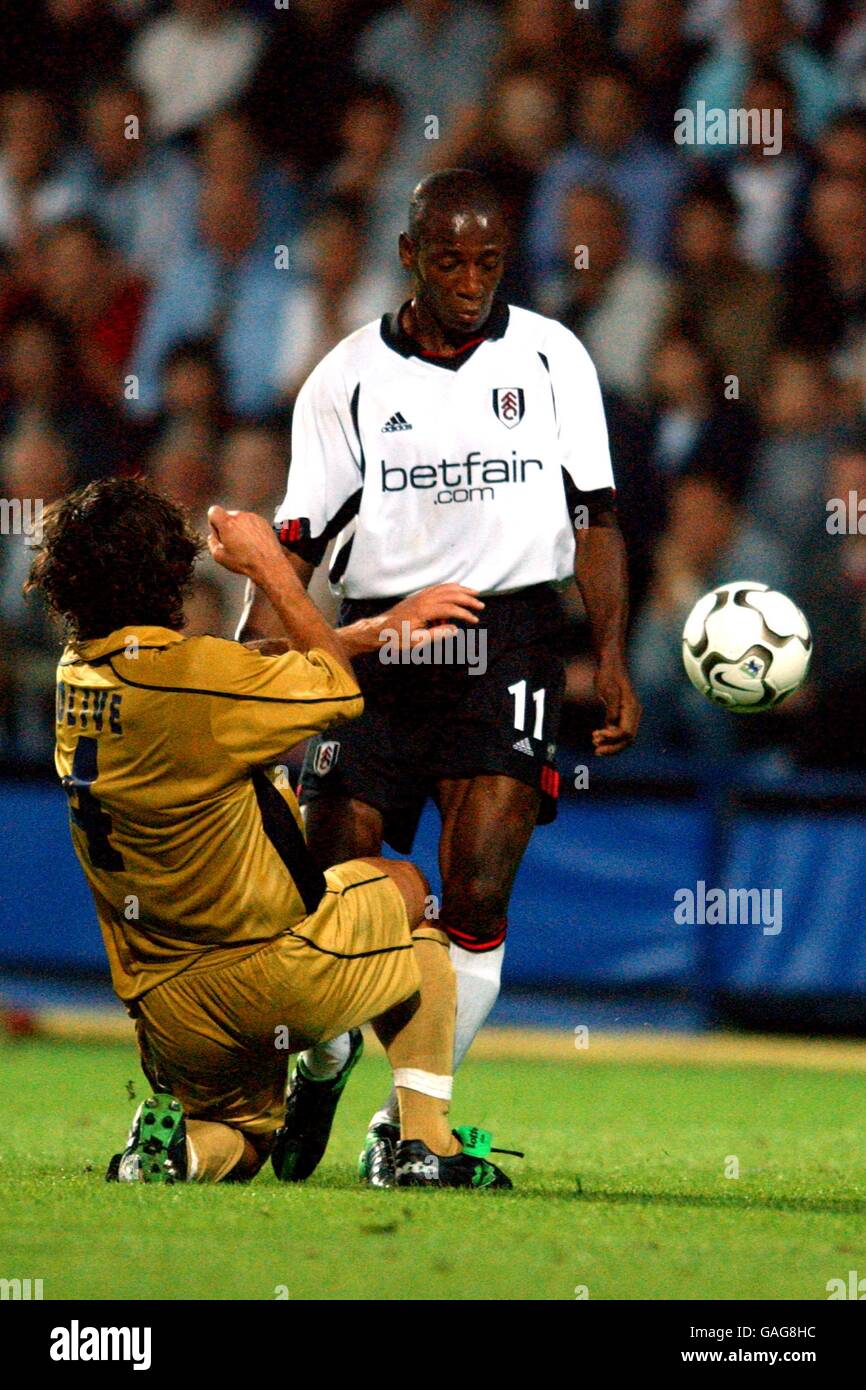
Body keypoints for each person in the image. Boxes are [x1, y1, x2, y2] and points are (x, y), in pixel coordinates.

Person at [242, 169, 641, 1186]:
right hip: (375, 649)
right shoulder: (344, 379)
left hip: (506, 643)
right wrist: (242, 681)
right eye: (450, 260)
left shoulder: (552, 357)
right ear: (410, 255)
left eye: (489, 261)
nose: (470, 282)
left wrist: (610, 657)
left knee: (473, 890)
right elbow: (290, 544)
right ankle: (325, 1055)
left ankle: (403, 1127)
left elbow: (594, 517)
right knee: (335, 885)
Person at [26, 475, 515, 1189]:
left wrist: (372, 631)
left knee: (240, 1140)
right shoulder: (195, 680)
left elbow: (240, 670)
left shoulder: (79, 676)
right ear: (170, 572)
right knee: (407, 891)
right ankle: (422, 1141)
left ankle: (171, 1156)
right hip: (270, 974)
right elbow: (337, 693)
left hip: (167, 1010)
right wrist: (272, 572)